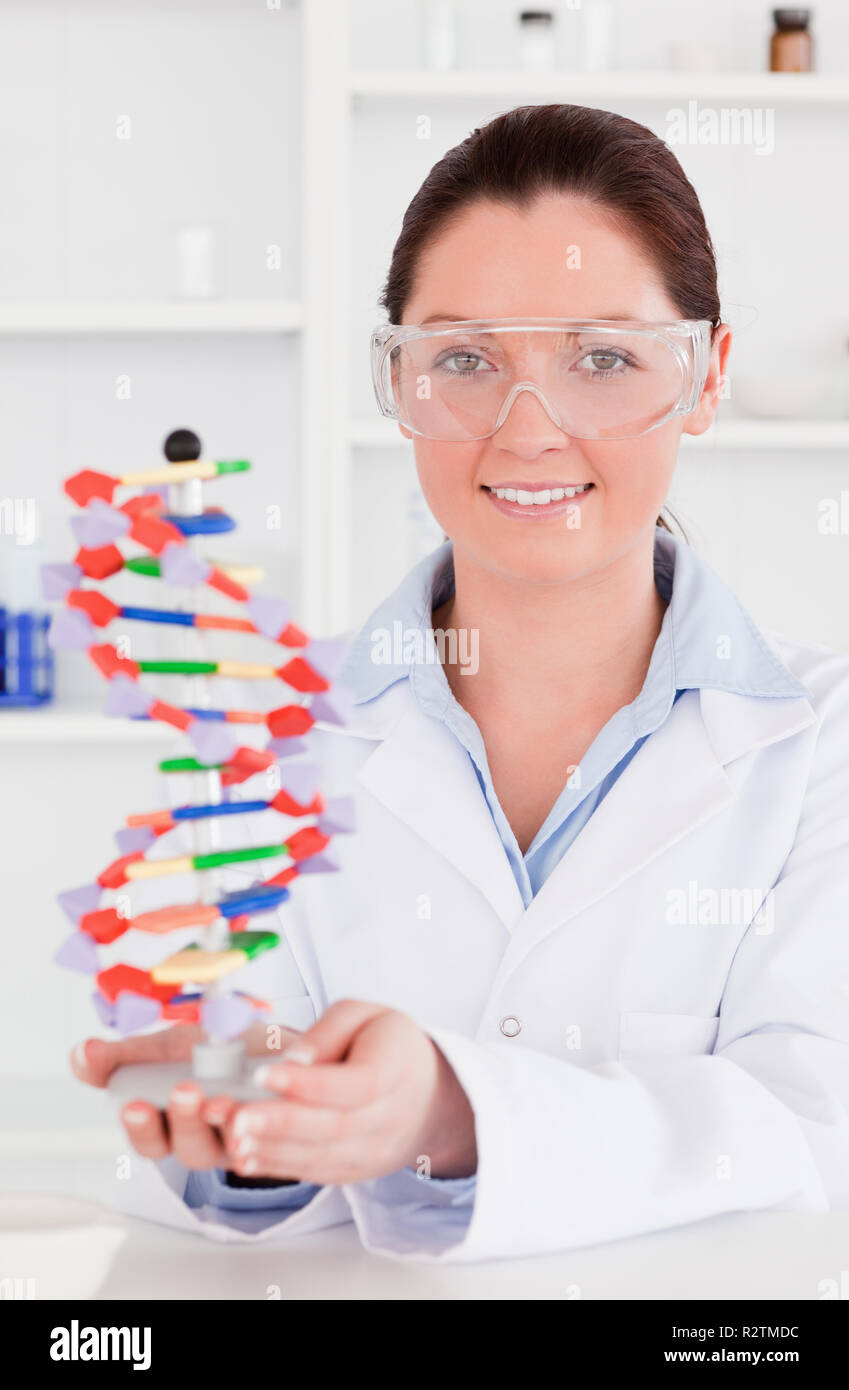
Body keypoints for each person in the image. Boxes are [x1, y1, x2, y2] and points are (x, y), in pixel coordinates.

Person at [72, 104, 849, 1263]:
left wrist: (449, 1111)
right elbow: (173, 1137)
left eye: (603, 358)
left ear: (706, 375)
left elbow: (816, 1134)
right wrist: (251, 1132)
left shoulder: (817, 741)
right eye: (466, 359)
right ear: (399, 381)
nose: (529, 431)